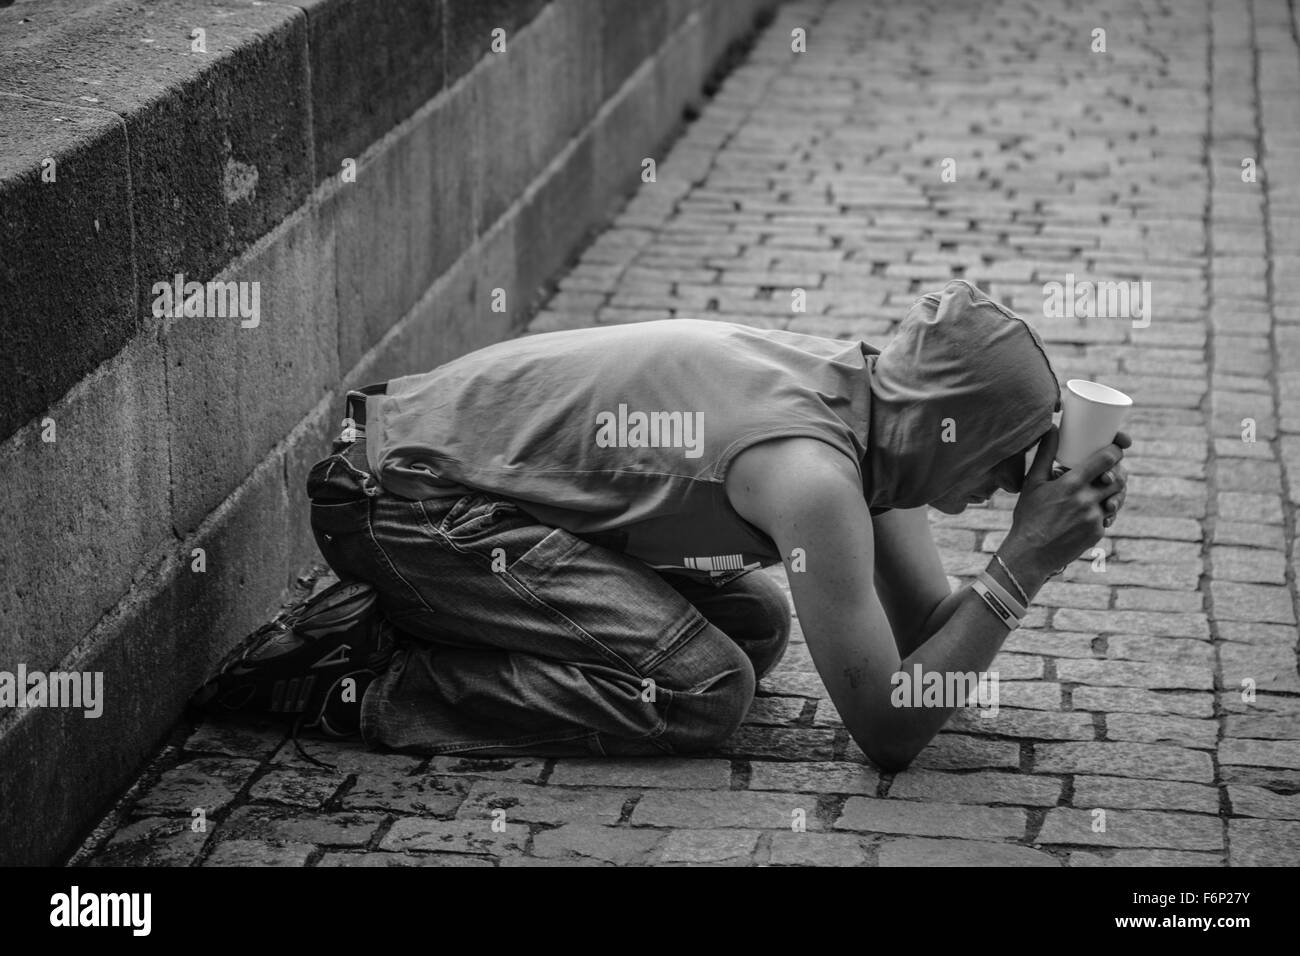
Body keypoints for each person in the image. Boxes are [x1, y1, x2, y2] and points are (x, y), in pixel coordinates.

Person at [211, 279, 1129, 770]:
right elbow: (890, 729)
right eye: (1010, 459)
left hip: (432, 481)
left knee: (759, 623)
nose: (1009, 484)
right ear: (942, 422)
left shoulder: (872, 417)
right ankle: (361, 681)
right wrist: (1021, 566)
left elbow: (930, 636)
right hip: (401, 502)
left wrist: (1037, 534)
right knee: (701, 690)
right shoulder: (814, 474)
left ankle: (416, 621)